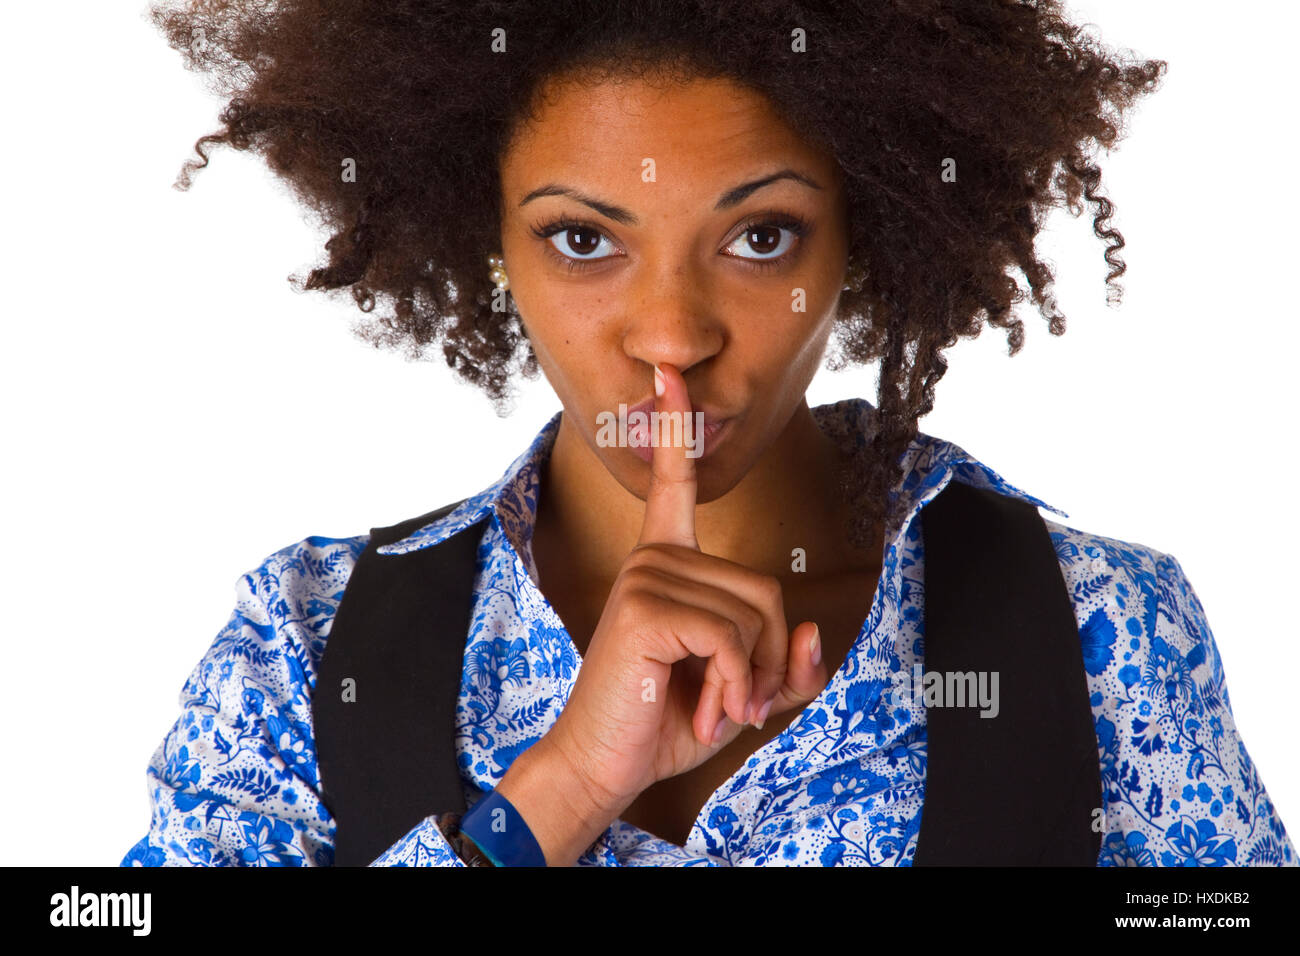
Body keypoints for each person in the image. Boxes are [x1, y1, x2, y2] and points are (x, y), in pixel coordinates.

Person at [122, 0, 1295, 867]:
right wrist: (557, 794)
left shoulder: (1098, 633)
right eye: (584, 239)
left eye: (761, 237)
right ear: (489, 244)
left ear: (866, 239)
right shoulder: (306, 645)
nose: (671, 336)